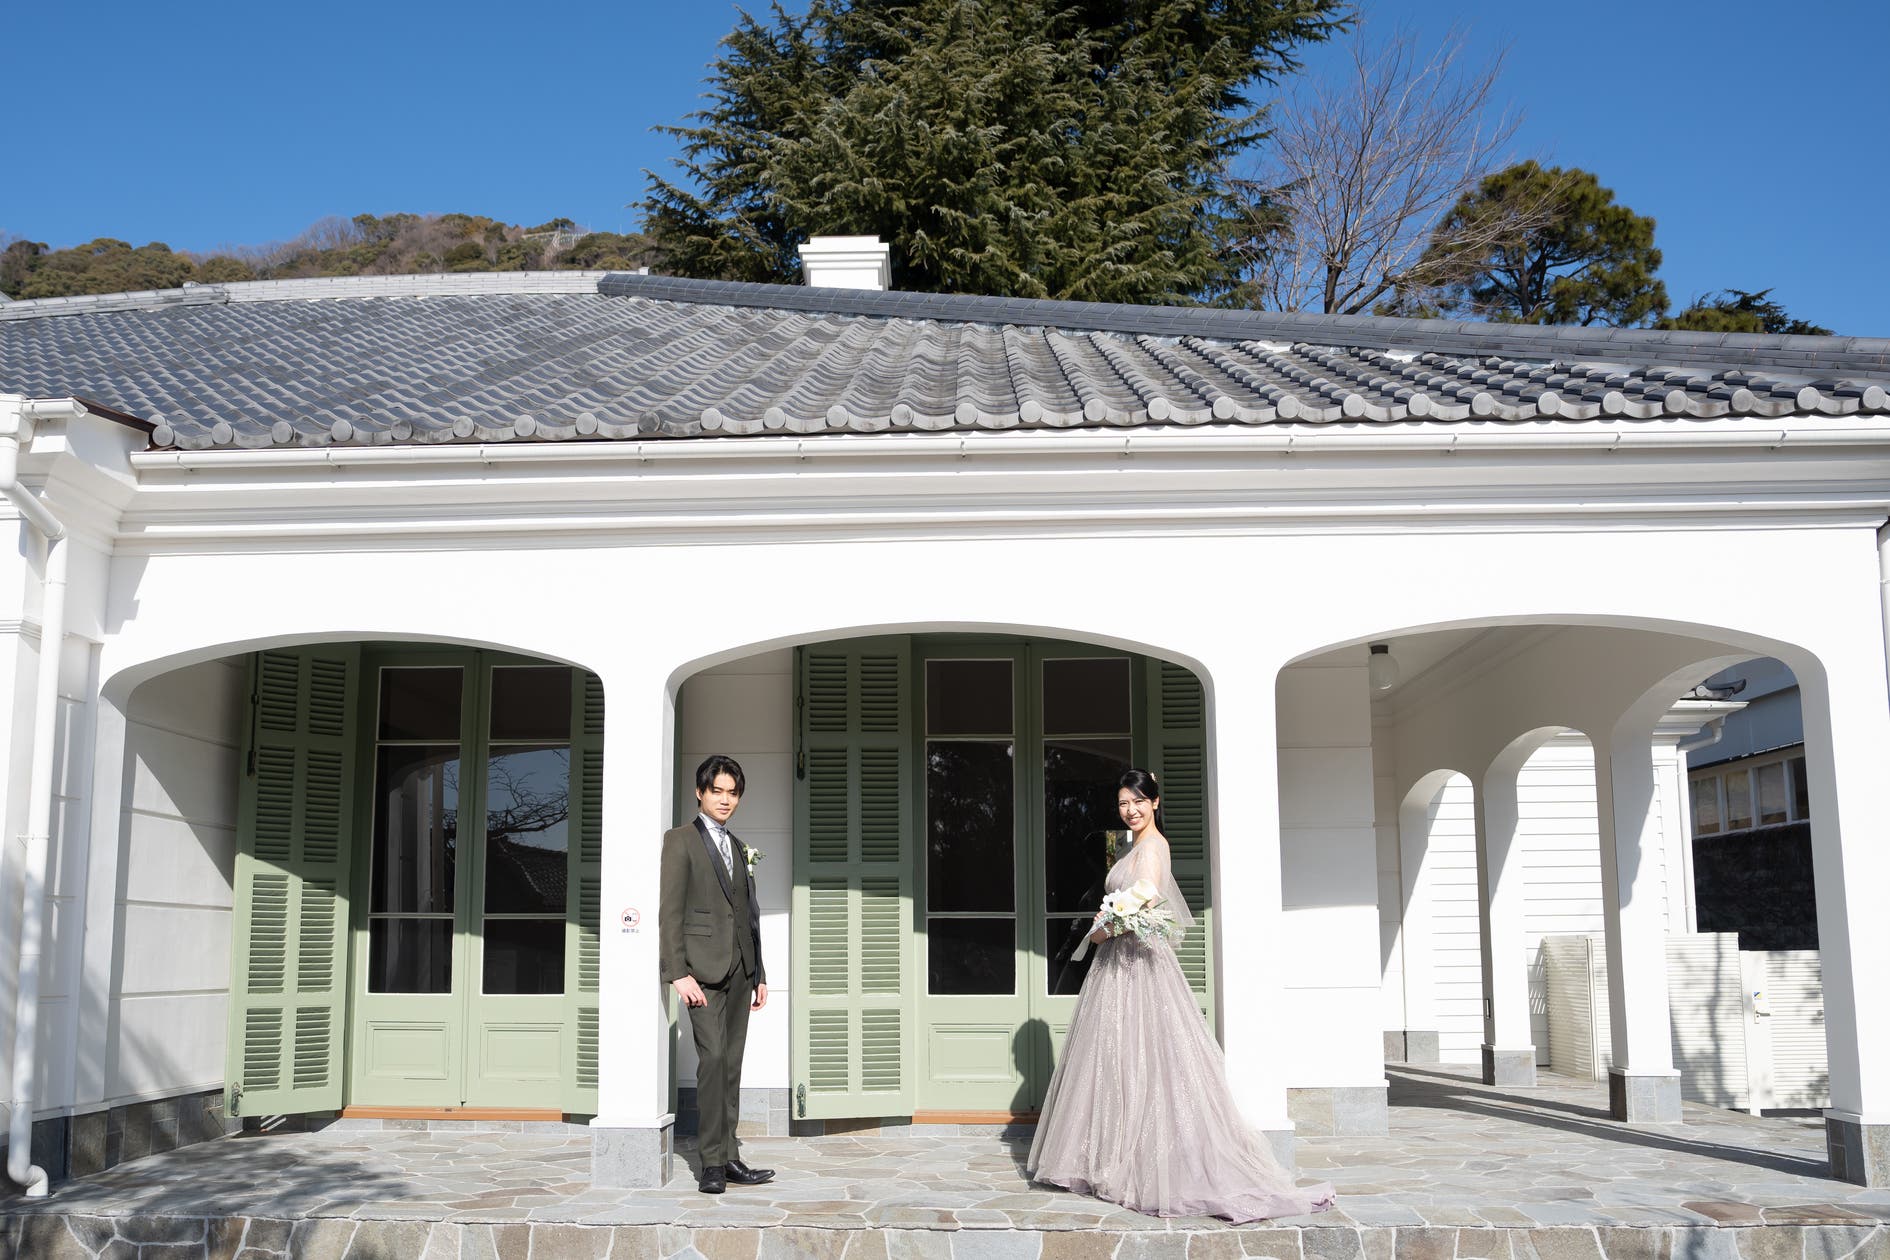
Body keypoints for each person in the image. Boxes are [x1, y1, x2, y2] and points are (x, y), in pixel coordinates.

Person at [1027, 768, 1337, 1223]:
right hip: (1117, 965)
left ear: (1154, 802)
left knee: (1150, 1057)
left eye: (1136, 801)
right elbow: (1130, 895)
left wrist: (1103, 930)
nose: (1129, 810)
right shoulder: (1130, 847)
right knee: (1116, 1058)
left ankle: (1153, 1161)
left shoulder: (1154, 845)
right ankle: (1110, 1157)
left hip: (1137, 963)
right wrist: (1106, 921)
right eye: (1121, 804)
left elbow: (1148, 894)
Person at [659, 754, 774, 1195]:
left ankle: (729, 1158)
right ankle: (710, 1162)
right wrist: (677, 972)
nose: (725, 799)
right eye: (717, 791)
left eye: (732, 792)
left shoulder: (740, 847)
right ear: (700, 792)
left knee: (731, 1066)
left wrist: (760, 972)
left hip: (742, 972)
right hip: (701, 973)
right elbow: (669, 912)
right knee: (711, 1062)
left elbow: (750, 916)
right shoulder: (680, 840)